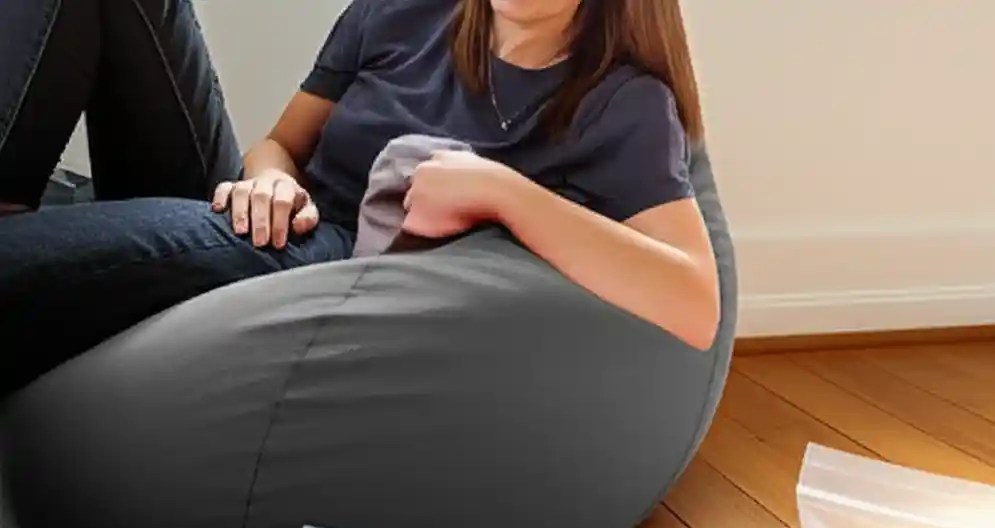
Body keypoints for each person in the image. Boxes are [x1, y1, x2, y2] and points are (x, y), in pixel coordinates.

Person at [0, 0, 721, 399]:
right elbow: (279, 143)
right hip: (267, 218)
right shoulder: (404, 10)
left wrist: (507, 193)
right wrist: (271, 178)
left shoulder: (622, 103)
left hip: (323, 269)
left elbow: (693, 300)